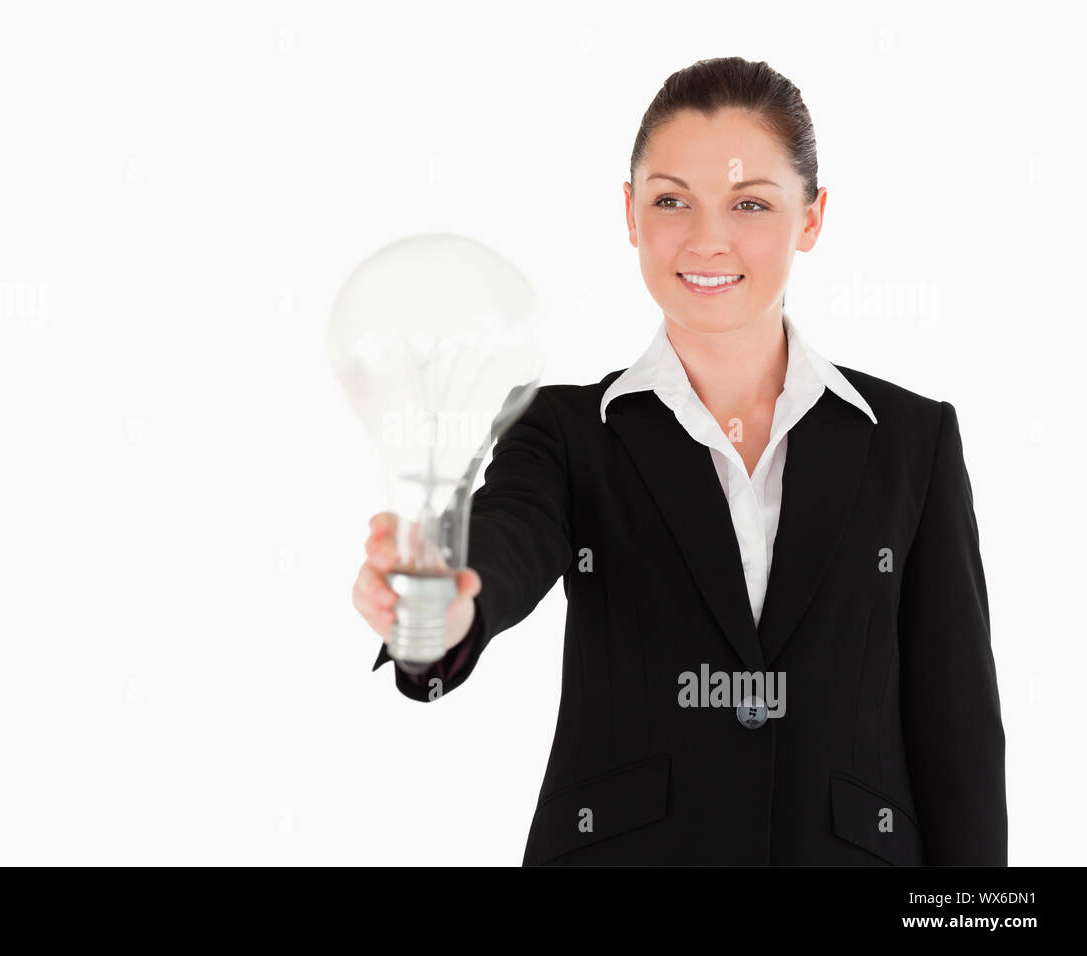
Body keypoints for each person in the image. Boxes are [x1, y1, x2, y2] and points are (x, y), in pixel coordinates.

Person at [352, 56, 1006, 866]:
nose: (706, 239)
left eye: (751, 204)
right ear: (629, 213)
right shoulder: (564, 428)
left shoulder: (912, 439)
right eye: (671, 200)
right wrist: (447, 612)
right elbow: (509, 538)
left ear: (812, 218)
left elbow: (959, 735)